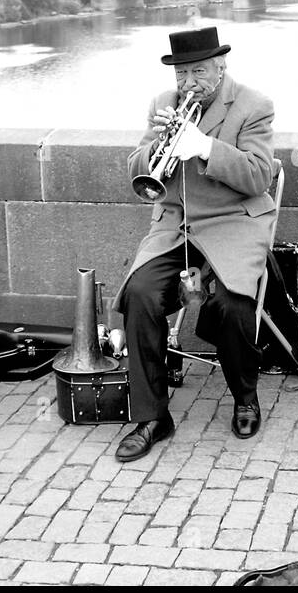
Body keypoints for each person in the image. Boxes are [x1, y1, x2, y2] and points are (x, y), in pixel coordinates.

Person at [112, 26, 276, 461]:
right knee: (141, 295)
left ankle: (245, 396)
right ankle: (151, 416)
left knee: (233, 304)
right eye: (182, 74)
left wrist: (205, 146)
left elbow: (260, 176)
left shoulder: (253, 105)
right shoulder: (162, 104)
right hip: (175, 227)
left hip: (232, 223)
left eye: (199, 71)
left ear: (221, 67)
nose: (189, 83)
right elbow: (136, 169)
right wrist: (159, 148)